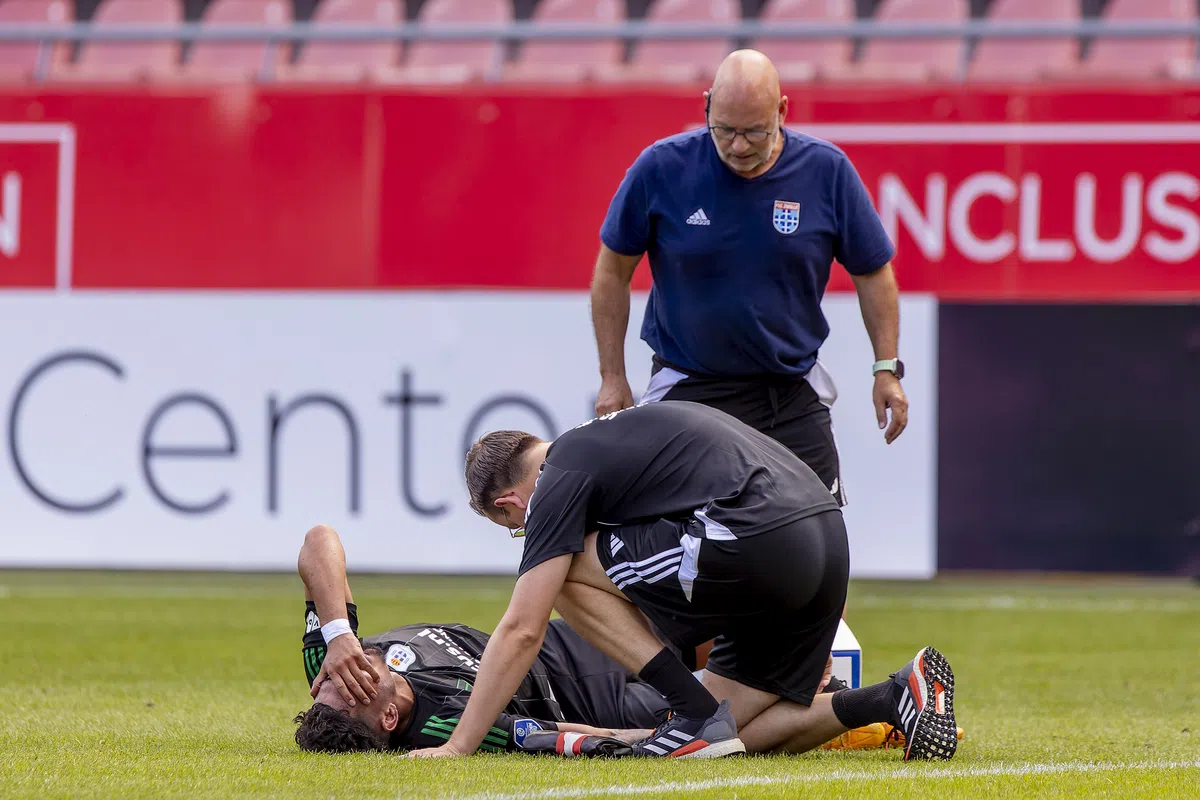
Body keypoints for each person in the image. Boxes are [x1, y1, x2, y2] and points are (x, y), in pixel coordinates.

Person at [407, 401, 958, 761]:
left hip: (755, 534)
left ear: (509, 502)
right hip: (826, 540)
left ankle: (690, 707)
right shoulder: (612, 439)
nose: (524, 531)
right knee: (718, 737)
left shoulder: (556, 477)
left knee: (560, 569)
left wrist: (459, 745)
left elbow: (523, 629)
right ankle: (892, 696)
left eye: (514, 527)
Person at [591, 49, 907, 506]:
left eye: (755, 131)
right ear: (706, 106)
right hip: (688, 389)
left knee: (820, 535)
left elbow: (874, 273)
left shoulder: (827, 170)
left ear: (782, 111)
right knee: (672, 533)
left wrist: (886, 369)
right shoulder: (660, 167)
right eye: (724, 130)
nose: (738, 146)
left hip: (791, 391)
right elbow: (611, 271)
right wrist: (612, 377)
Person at [292, 524, 665, 754]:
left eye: (334, 678)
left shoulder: (334, 659)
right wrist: (656, 737)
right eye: (353, 686)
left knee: (677, 616)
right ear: (389, 716)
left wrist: (338, 636)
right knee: (699, 697)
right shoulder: (442, 725)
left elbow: (318, 539)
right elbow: (557, 734)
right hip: (597, 702)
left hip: (566, 638)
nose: (348, 669)